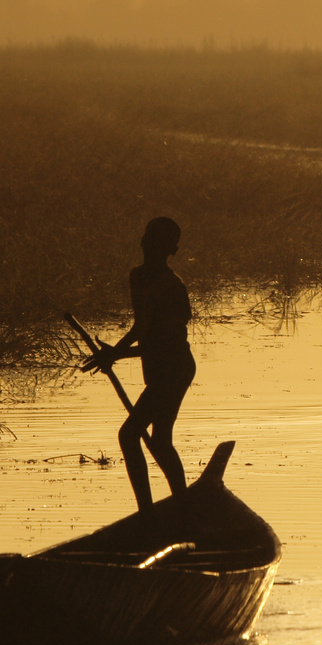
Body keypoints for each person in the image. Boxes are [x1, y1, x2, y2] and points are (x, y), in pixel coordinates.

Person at [82, 216, 196, 507]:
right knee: (157, 441)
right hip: (159, 367)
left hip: (175, 368)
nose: (149, 248)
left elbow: (166, 346)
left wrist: (116, 354)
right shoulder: (138, 277)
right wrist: (113, 352)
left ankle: (157, 508)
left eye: (158, 244)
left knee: (132, 435)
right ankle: (169, 506)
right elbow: (141, 328)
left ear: (171, 250)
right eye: (148, 240)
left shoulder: (173, 287)